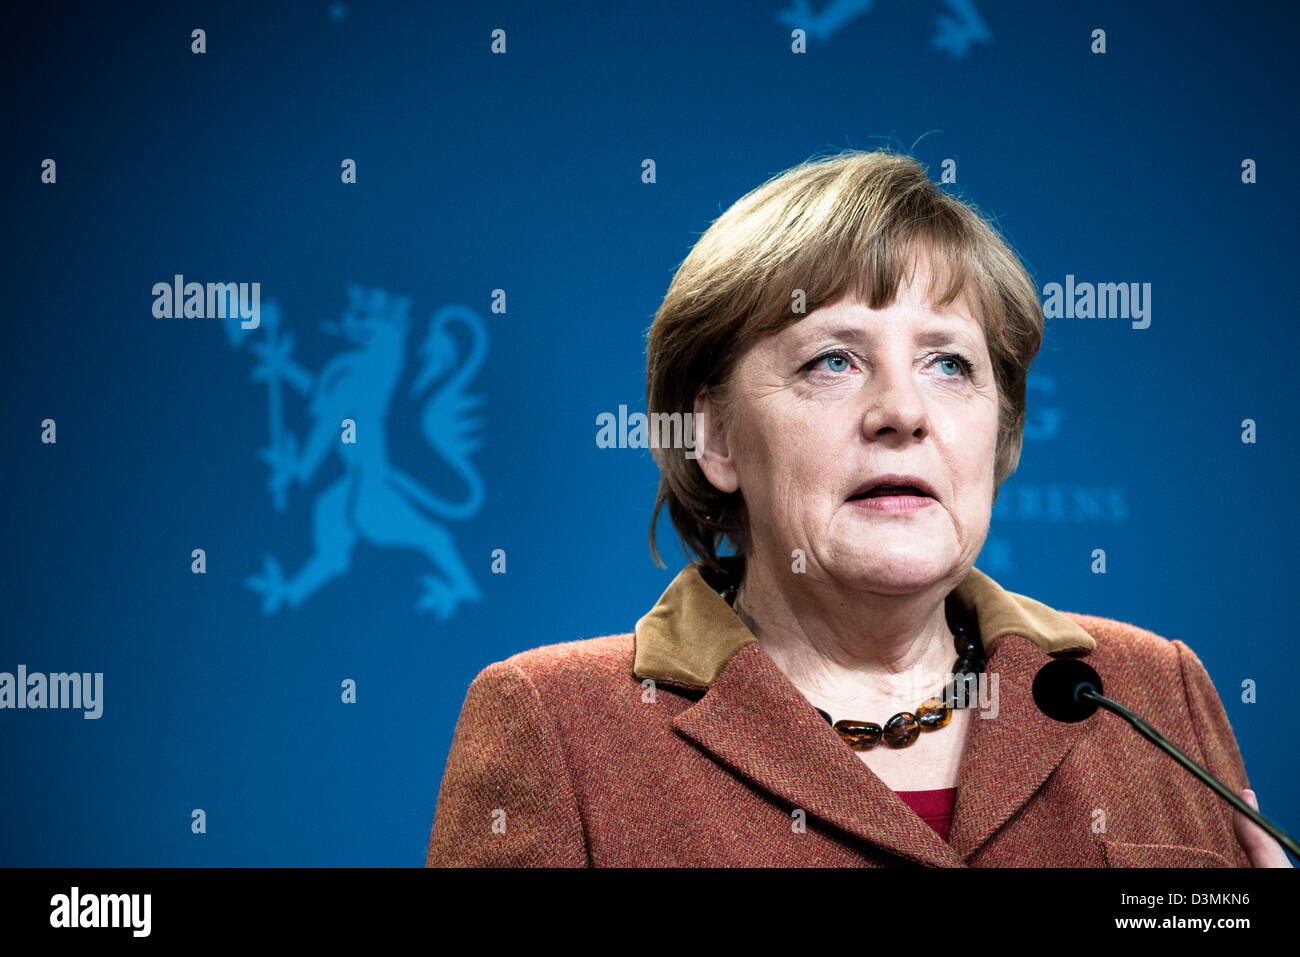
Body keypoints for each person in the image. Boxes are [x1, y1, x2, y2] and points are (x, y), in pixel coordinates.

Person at [425, 149, 1290, 867]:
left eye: (949, 364)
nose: (902, 411)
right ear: (716, 439)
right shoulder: (560, 728)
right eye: (832, 360)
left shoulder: (1150, 693)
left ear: (999, 431)